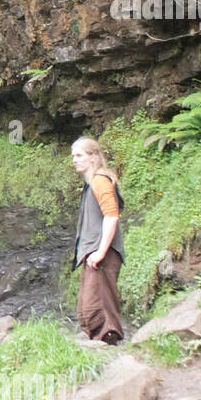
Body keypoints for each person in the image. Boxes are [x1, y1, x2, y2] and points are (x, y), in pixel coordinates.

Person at [72, 136, 125, 345]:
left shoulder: (100, 181)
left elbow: (111, 216)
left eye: (79, 155)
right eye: (73, 156)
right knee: (89, 304)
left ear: (93, 157)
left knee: (99, 305)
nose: (75, 160)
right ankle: (100, 345)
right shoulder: (92, 183)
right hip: (94, 253)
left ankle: (108, 349)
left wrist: (101, 252)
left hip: (101, 254)